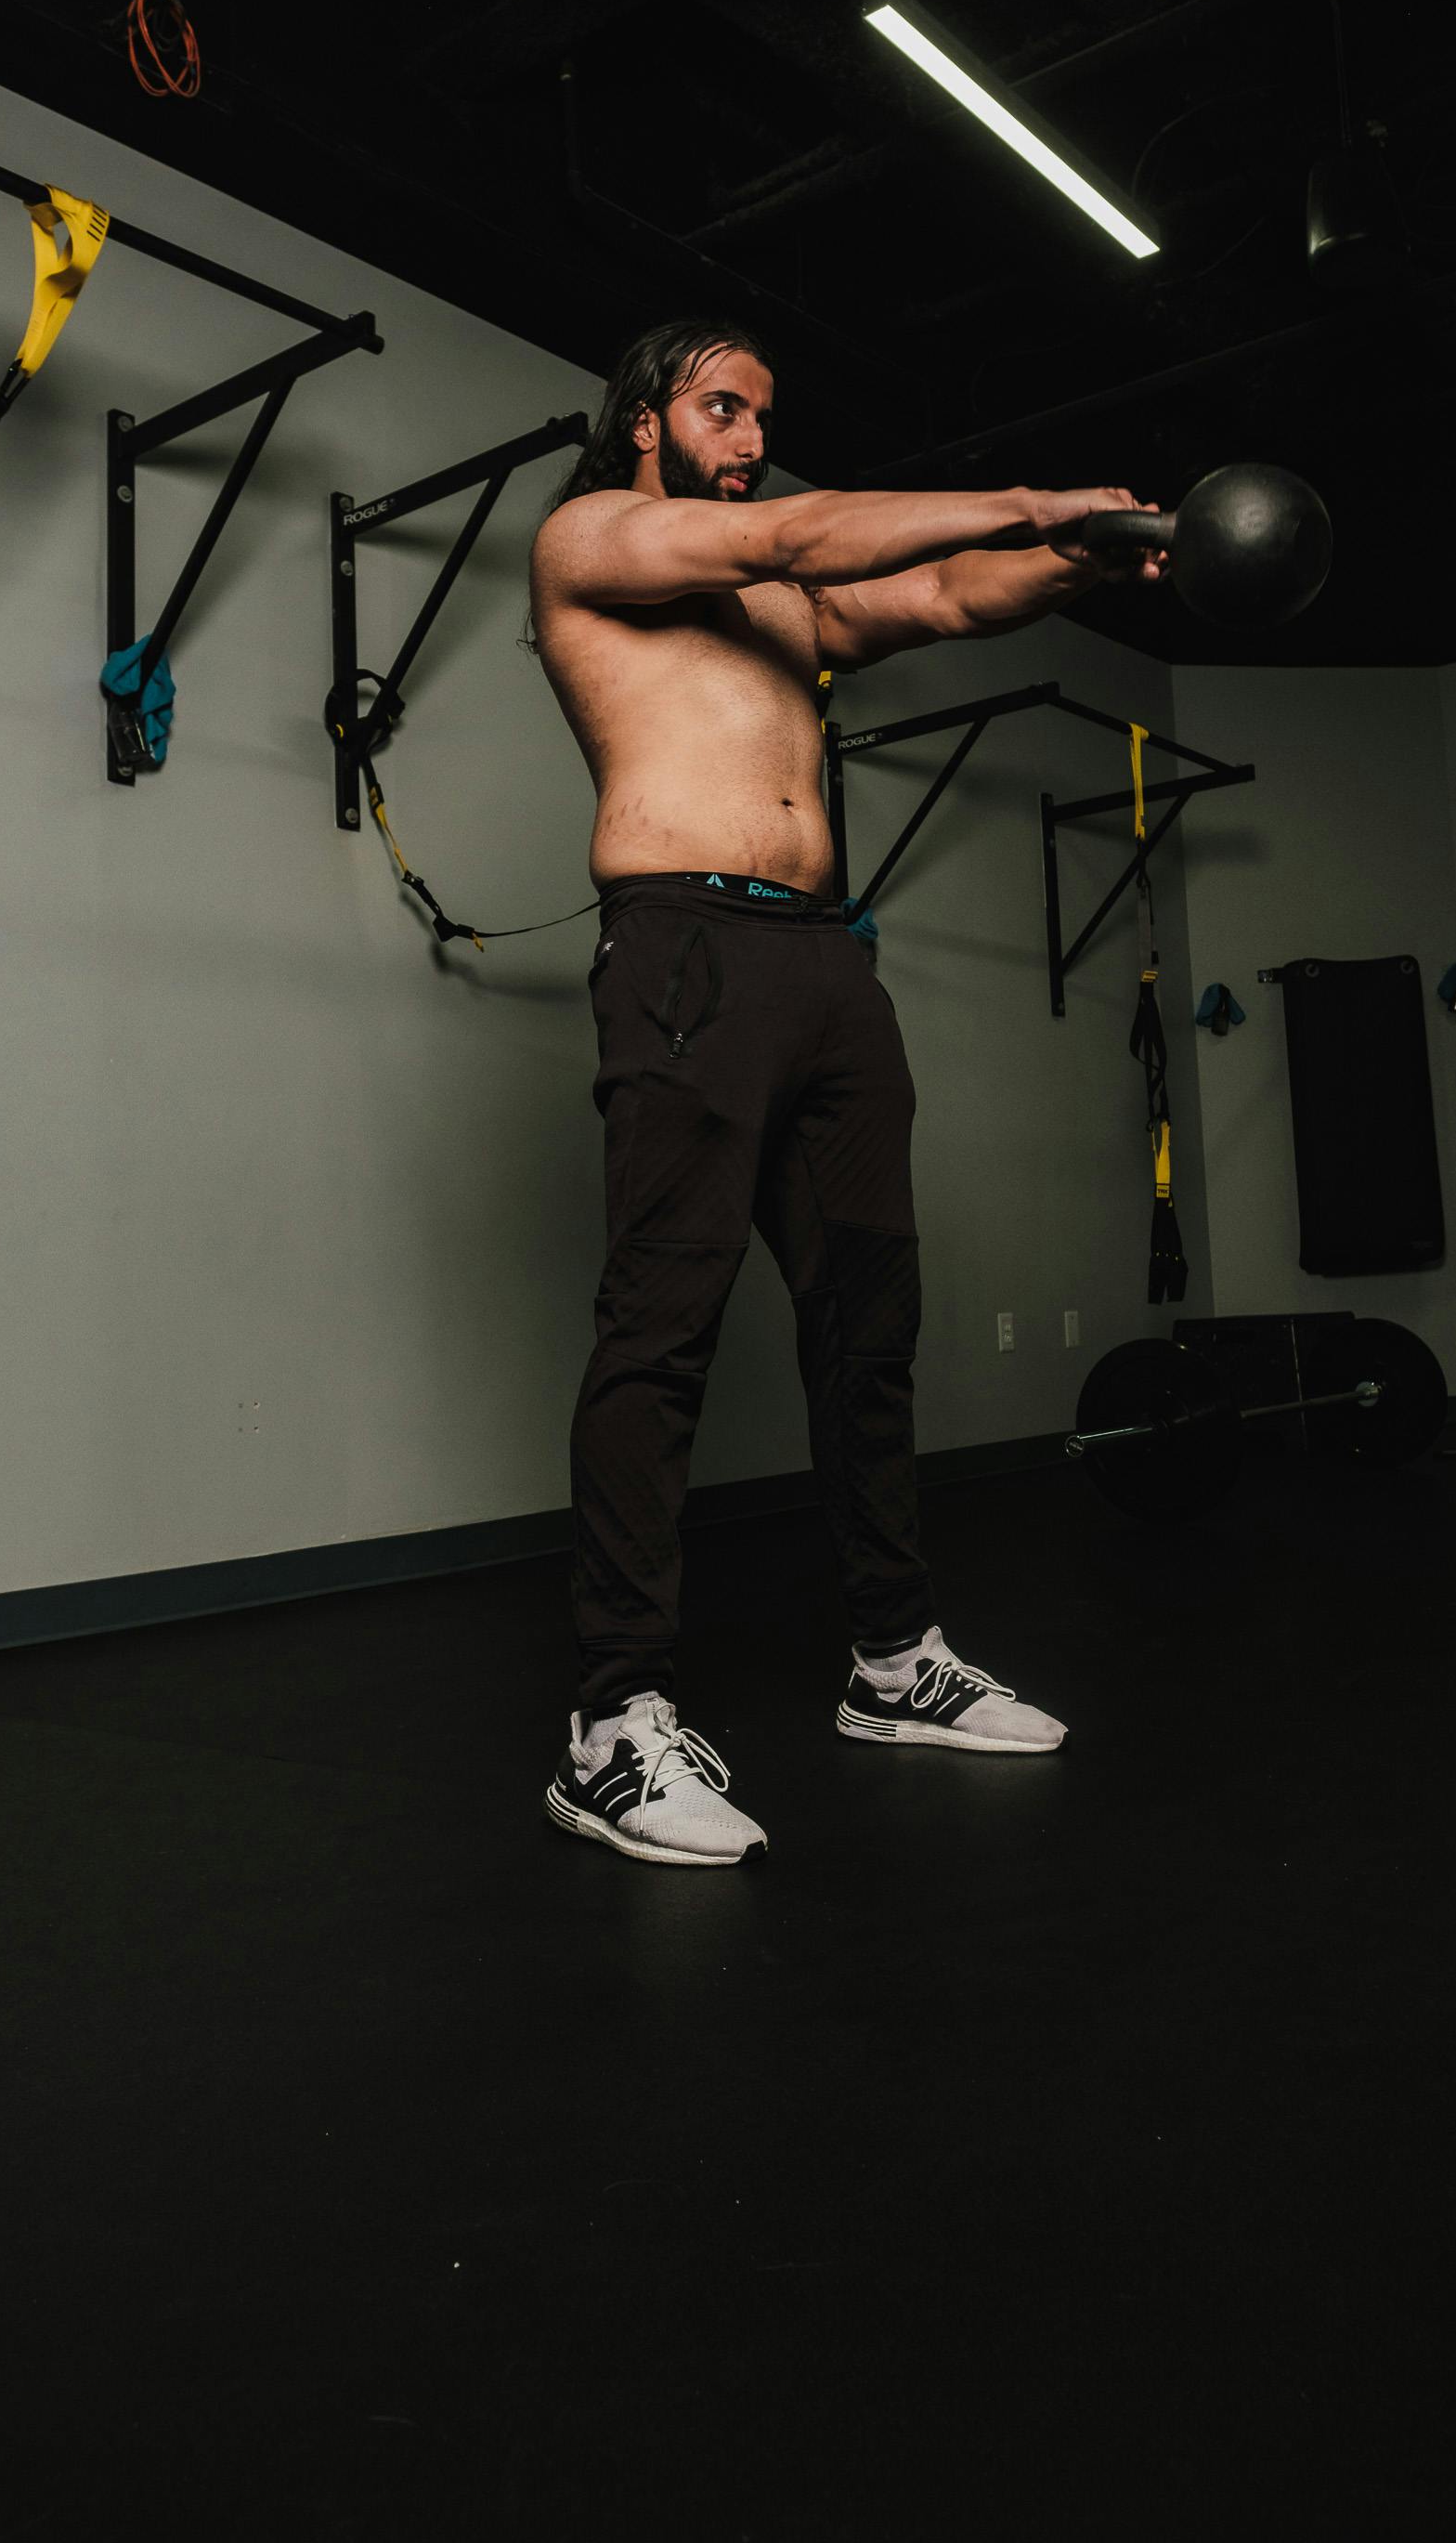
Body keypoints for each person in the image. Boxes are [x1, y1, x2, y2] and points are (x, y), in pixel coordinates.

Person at [527, 317, 1164, 1868]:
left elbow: (946, 594)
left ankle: (895, 1663)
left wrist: (1097, 556)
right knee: (659, 1335)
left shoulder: (779, 609)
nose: (750, 435)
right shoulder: (591, 536)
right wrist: (1033, 494)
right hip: (685, 954)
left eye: (763, 415)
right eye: (722, 408)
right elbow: (812, 527)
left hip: (823, 964)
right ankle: (615, 1725)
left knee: (869, 1322)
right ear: (647, 429)